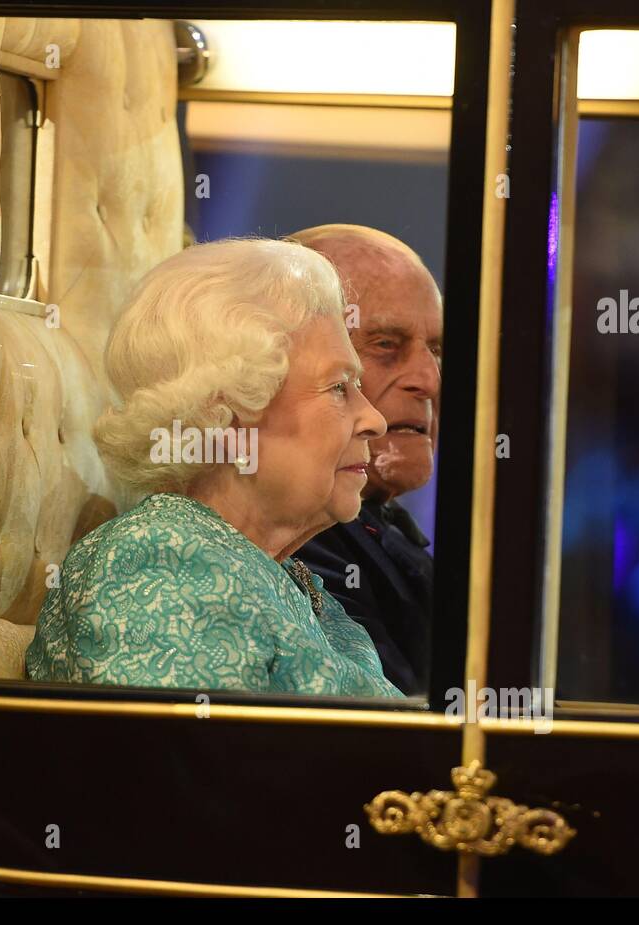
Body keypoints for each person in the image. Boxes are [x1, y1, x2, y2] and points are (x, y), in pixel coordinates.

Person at [25, 238, 403, 699]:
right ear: (228, 411)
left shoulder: (274, 572)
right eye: (340, 387)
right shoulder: (157, 562)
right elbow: (194, 766)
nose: (374, 419)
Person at [289, 225, 442, 697]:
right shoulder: (291, 539)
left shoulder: (373, 522)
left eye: (436, 350)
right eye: (384, 345)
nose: (429, 380)